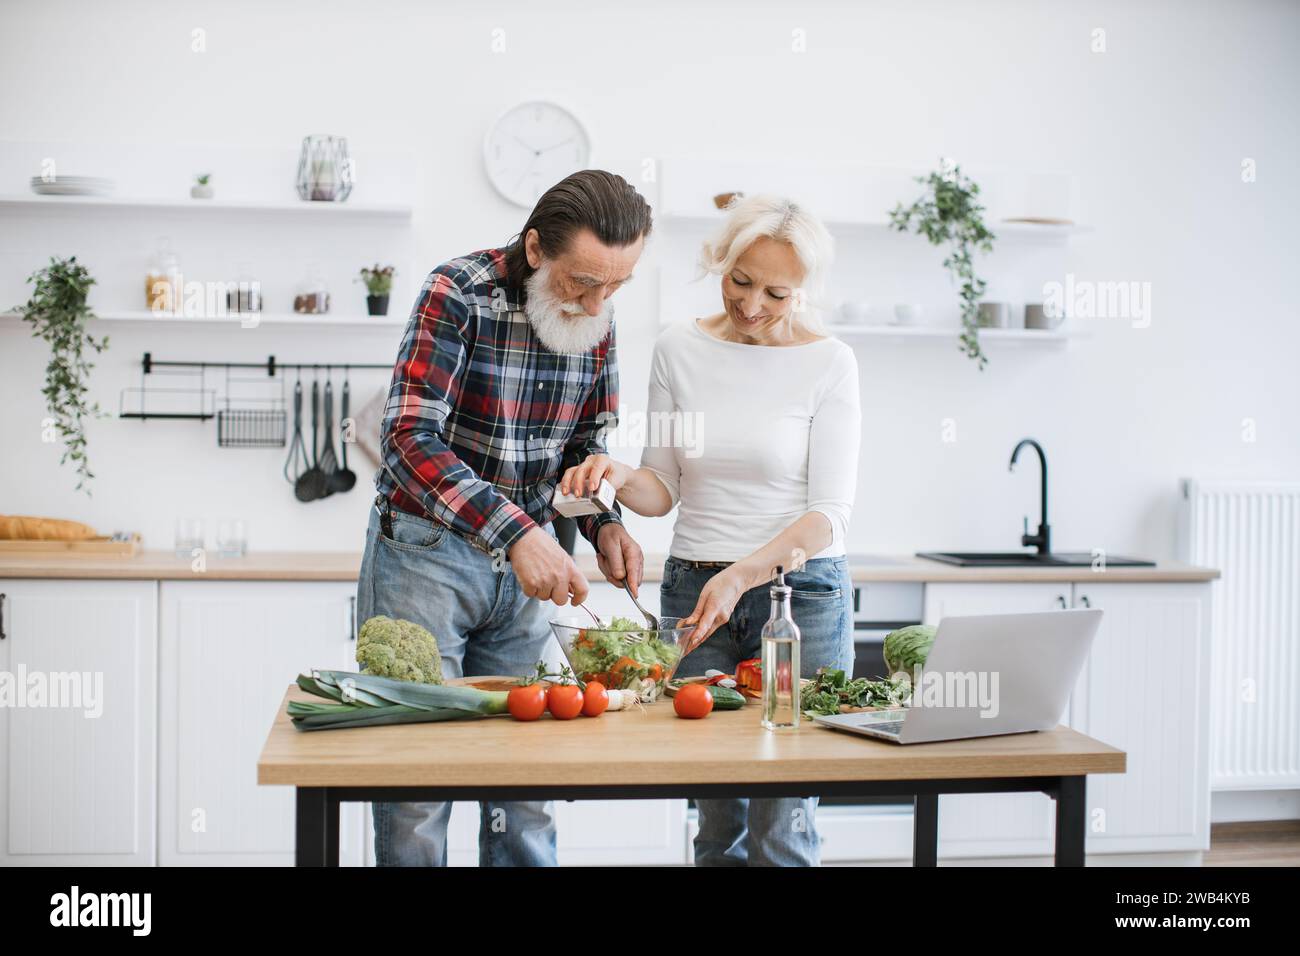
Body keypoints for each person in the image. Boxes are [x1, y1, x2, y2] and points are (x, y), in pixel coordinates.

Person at [357, 169, 652, 866]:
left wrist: (602, 523)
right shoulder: (456, 293)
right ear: (534, 249)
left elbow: (583, 450)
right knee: (417, 790)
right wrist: (517, 530)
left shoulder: (600, 312)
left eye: (617, 285)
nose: (598, 301)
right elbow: (406, 440)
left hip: (531, 574)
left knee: (523, 783)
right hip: (427, 559)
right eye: (583, 281)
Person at [561, 195, 861, 866]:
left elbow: (828, 515)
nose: (752, 304)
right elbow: (661, 488)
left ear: (803, 290)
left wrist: (742, 575)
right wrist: (612, 472)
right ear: (719, 263)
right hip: (696, 595)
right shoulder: (679, 349)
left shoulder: (831, 362)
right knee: (716, 817)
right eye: (740, 280)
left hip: (800, 594)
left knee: (782, 824)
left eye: (776, 292)